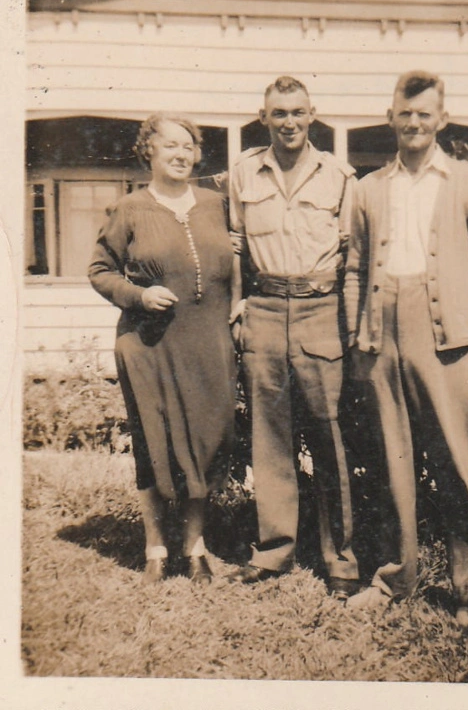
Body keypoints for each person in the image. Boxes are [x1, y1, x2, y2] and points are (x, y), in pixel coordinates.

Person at [344, 71, 468, 624]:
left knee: (457, 467)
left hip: (447, 341)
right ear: (390, 117)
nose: (414, 123)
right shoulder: (370, 187)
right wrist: (357, 337)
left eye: (424, 114)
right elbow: (354, 270)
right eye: (404, 112)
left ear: (441, 119)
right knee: (393, 465)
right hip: (381, 336)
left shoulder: (467, 182)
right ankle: (397, 581)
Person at [89, 113, 235, 585]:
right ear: (148, 150)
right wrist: (138, 296)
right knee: (154, 443)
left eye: (188, 145)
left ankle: (195, 546)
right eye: (169, 144)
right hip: (148, 342)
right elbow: (99, 270)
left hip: (209, 341)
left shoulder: (218, 205)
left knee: (206, 441)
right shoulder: (129, 209)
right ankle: (155, 548)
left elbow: (243, 260)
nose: (180, 153)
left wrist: (245, 297)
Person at [227, 76, 359, 599]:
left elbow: (352, 253)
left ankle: (341, 560)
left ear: (313, 116)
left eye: (298, 112)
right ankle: (274, 550)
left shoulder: (340, 176)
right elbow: (237, 245)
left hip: (320, 310)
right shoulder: (243, 173)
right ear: (264, 117)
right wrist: (239, 305)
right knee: (270, 436)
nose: (288, 122)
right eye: (279, 113)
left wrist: (348, 322)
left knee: (330, 438)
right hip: (263, 308)